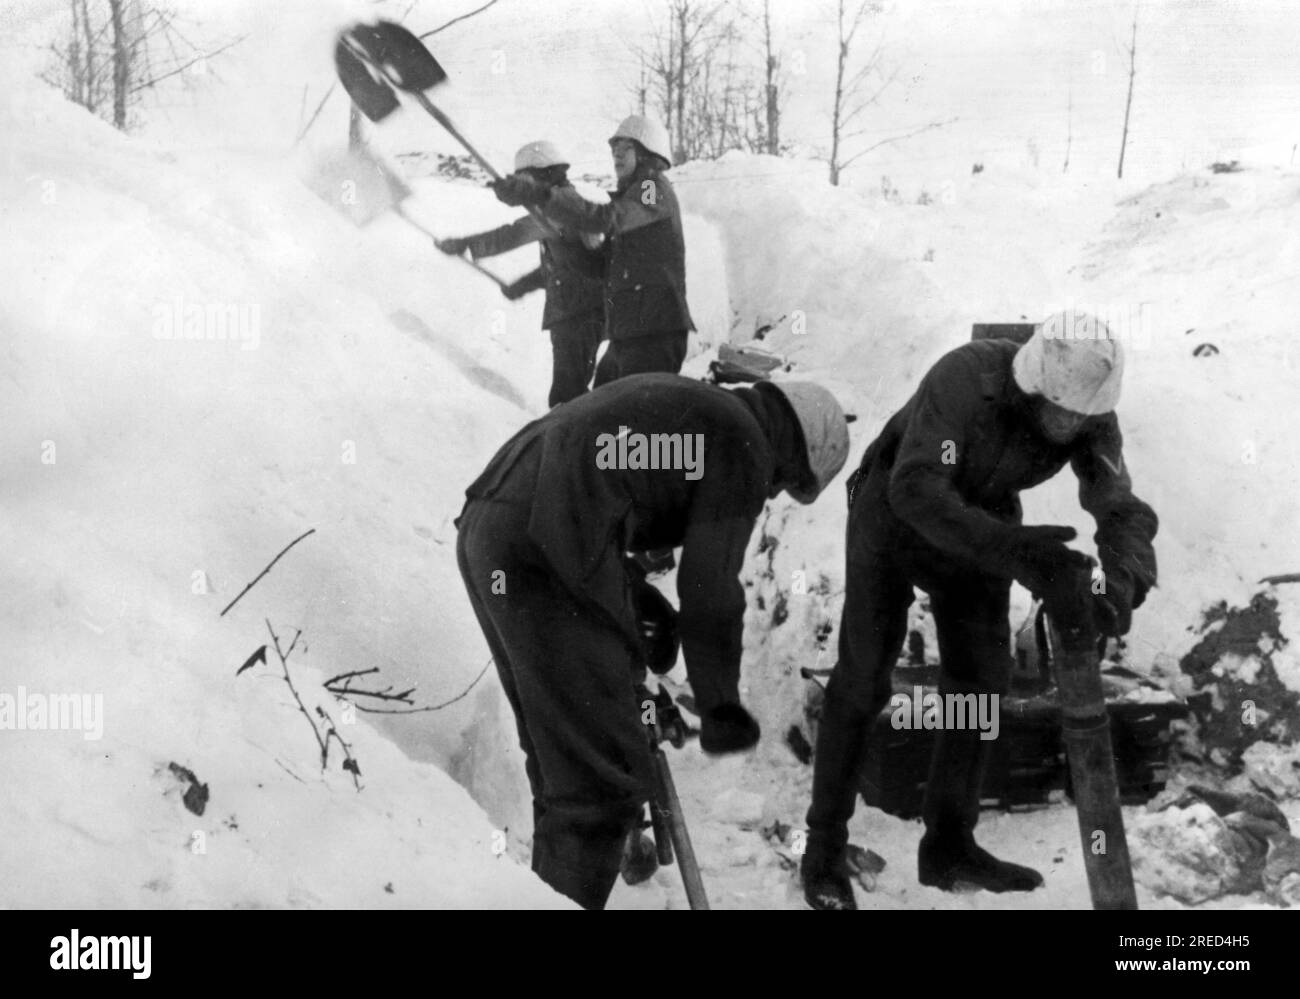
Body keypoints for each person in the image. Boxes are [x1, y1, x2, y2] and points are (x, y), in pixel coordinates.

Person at [801, 313, 1159, 910]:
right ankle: (822, 850)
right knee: (862, 679)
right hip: (891, 516)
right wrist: (1017, 552)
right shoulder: (964, 380)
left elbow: (1119, 507)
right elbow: (916, 488)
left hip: (984, 524)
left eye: (1081, 418)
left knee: (980, 684)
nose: (1070, 425)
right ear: (1033, 385)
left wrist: (1121, 582)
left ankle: (948, 843)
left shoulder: (1092, 413)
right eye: (1060, 413)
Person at [456, 373, 850, 908]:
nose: (772, 491)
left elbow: (605, 485)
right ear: (796, 453)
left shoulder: (702, 411)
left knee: (563, 768)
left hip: (497, 528)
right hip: (543, 549)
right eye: (785, 482)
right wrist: (720, 706)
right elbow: (710, 589)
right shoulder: (744, 442)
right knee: (599, 790)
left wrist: (633, 598)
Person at [490, 115, 694, 386]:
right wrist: (563, 242)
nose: (617, 156)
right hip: (629, 331)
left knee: (626, 418)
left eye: (626, 149)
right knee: (598, 411)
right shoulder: (634, 196)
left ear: (647, 154)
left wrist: (541, 195)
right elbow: (598, 267)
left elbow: (607, 218)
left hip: (655, 331)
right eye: (614, 151)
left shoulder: (651, 187)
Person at [437, 141, 606, 408]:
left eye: (526, 180)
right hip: (577, 312)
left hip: (578, 314)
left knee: (567, 397)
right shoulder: (562, 203)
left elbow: (515, 233)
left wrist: (466, 243)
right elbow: (564, 265)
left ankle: (571, 446)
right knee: (571, 393)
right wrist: (523, 285)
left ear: (543, 174)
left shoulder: (562, 204)